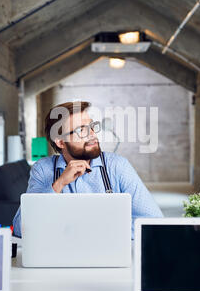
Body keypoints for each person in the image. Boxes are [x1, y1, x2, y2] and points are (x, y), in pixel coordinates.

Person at [13, 101, 163, 238]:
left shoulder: (117, 166)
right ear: (60, 141)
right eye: (81, 130)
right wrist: (58, 184)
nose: (92, 134)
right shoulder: (43, 169)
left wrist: (89, 232)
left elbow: (153, 222)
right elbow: (21, 228)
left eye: (91, 126)